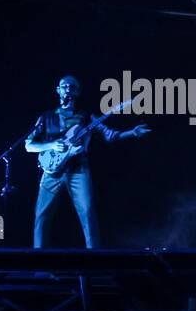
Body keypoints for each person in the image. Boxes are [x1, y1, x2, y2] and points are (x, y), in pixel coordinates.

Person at [26, 75, 150, 248]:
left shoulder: (86, 116)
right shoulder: (46, 117)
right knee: (41, 215)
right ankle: (38, 267)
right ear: (58, 90)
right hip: (51, 172)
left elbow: (110, 135)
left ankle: (94, 261)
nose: (68, 89)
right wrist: (53, 145)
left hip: (78, 169)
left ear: (78, 92)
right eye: (64, 86)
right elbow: (29, 145)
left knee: (88, 213)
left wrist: (132, 132)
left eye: (72, 87)